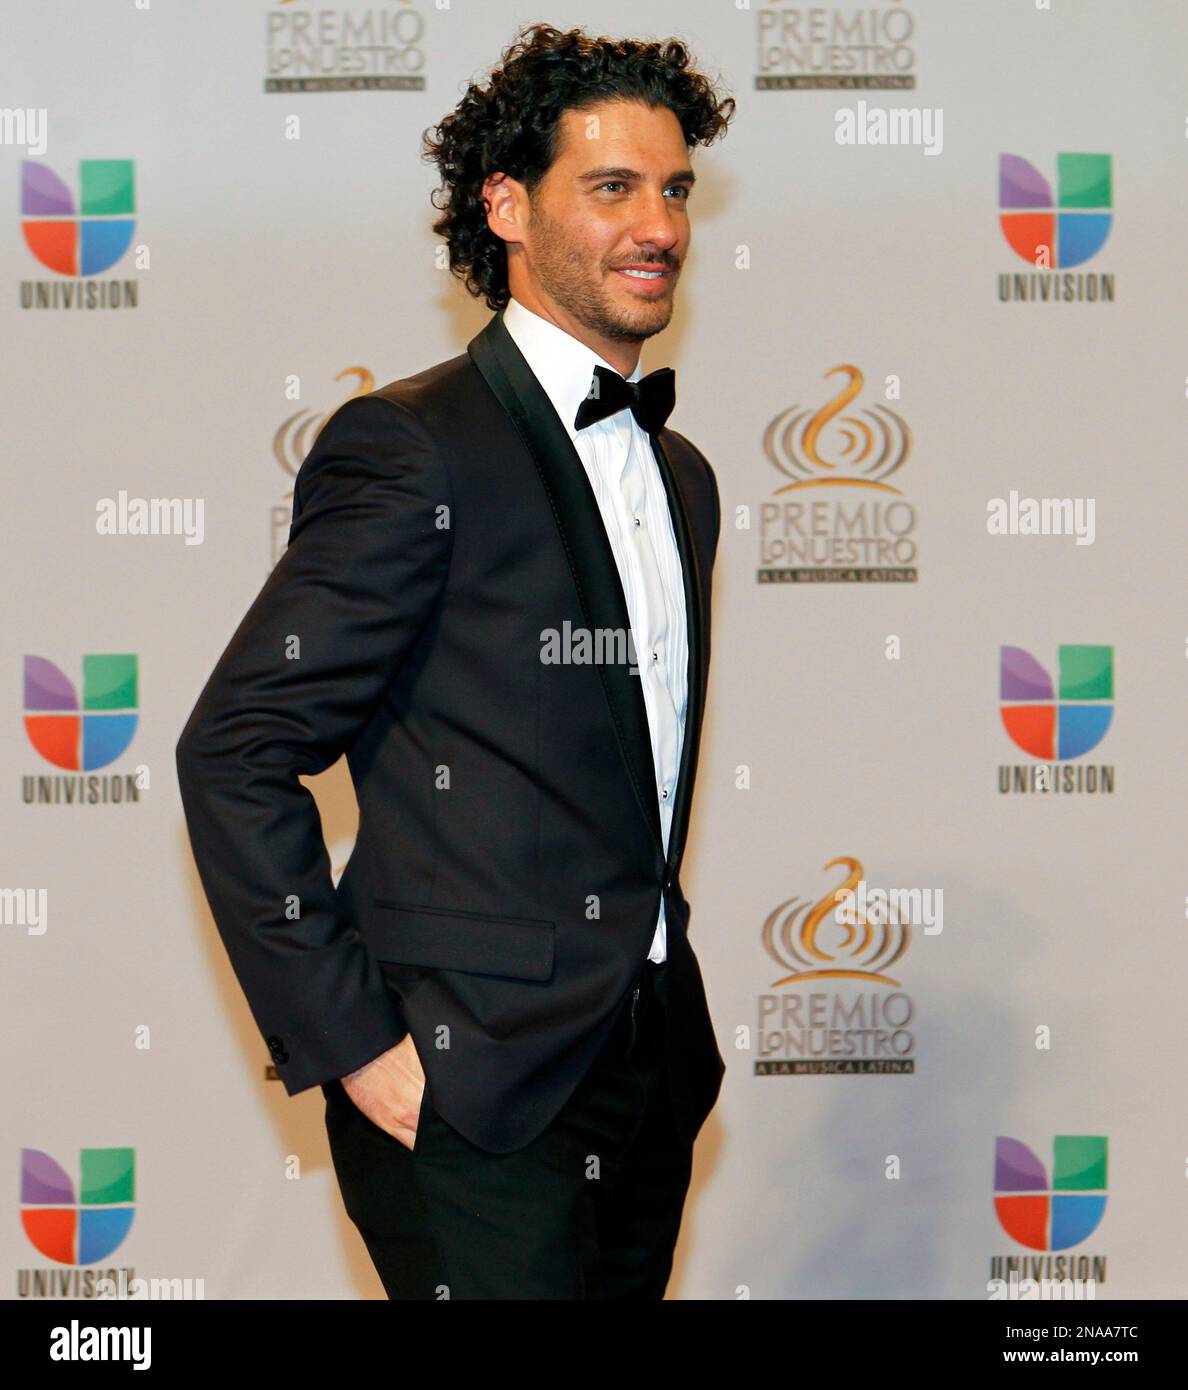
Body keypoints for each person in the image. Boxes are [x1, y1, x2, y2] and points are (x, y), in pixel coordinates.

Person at [175, 22, 735, 1300]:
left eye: (675, 189)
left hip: (645, 1071)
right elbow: (236, 749)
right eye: (611, 187)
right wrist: (356, 1041)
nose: (658, 224)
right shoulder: (412, 447)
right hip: (469, 1084)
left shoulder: (681, 475)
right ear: (508, 208)